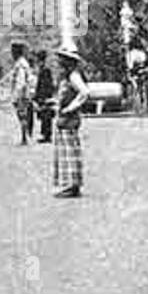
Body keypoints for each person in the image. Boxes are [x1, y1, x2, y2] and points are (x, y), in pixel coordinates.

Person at [52, 44, 90, 198]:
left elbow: (84, 92)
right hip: (65, 118)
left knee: (70, 151)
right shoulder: (68, 76)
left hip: (69, 118)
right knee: (67, 151)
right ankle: (70, 184)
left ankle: (72, 185)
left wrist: (70, 108)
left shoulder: (73, 76)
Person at [9, 42, 35, 145]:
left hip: (22, 94)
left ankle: (25, 138)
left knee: (23, 116)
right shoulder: (23, 63)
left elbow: (21, 82)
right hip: (25, 94)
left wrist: (17, 96)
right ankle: (25, 137)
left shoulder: (20, 64)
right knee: (24, 116)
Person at [33, 49, 55, 143]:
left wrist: (43, 97)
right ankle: (45, 134)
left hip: (45, 96)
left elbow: (46, 85)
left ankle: (47, 136)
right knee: (43, 117)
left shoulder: (45, 70)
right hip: (42, 96)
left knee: (46, 117)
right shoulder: (43, 69)